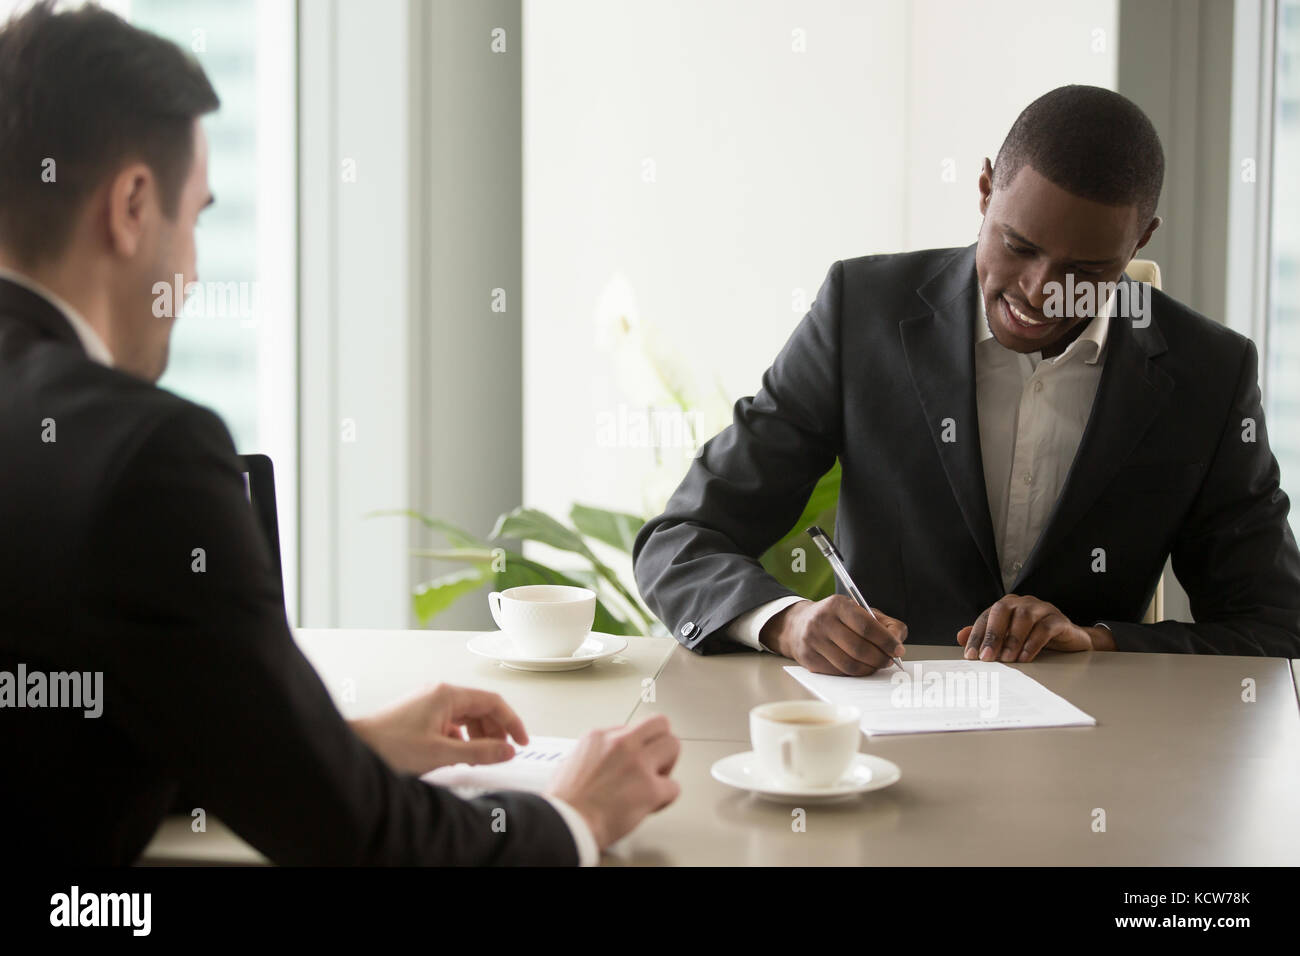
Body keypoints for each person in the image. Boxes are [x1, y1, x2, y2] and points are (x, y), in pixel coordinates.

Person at [0, 0, 679, 865]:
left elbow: (49, 744)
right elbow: (363, 845)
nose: (196, 269)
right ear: (133, 206)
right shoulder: (144, 460)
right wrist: (575, 816)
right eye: (196, 217)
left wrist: (331, 746)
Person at [634, 85, 1300, 674]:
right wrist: (786, 622)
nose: (1041, 292)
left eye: (1087, 271)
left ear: (1140, 241)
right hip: (878, 742)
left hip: (1095, 759)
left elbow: (1274, 627)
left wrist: (1099, 644)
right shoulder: (860, 312)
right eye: (1019, 246)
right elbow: (682, 541)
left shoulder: (1208, 373)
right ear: (985, 190)